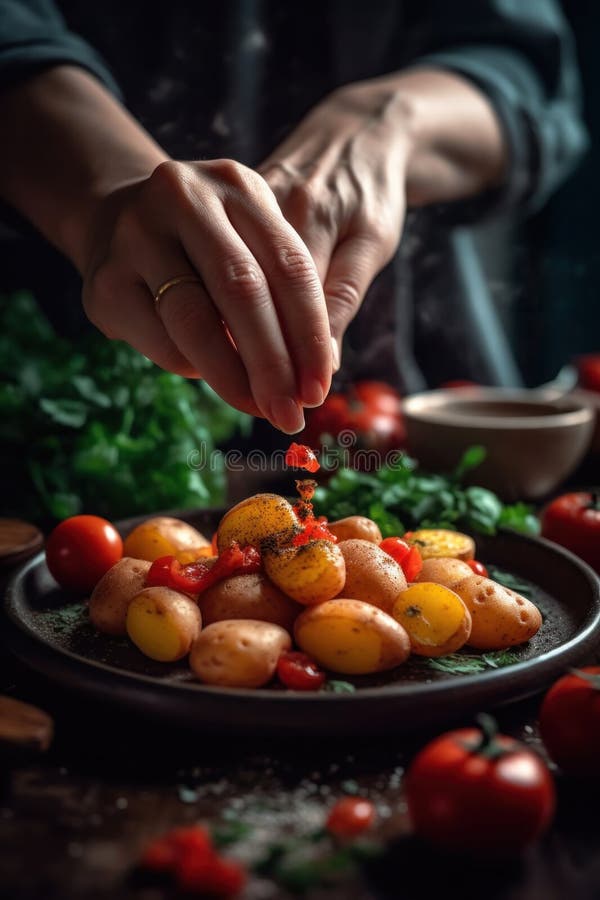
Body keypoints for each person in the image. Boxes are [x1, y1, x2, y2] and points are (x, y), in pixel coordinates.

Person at [0, 1, 588, 433]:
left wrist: (389, 120)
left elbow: (526, 68)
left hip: (411, 385)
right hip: (63, 375)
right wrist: (105, 195)